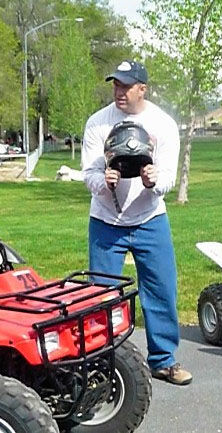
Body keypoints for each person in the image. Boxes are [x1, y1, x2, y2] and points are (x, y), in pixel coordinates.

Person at [81, 60, 191, 386]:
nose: (119, 92)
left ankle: (164, 360)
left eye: (126, 86)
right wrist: (104, 182)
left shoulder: (163, 124)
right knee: (101, 293)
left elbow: (169, 176)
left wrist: (154, 181)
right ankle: (100, 364)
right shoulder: (97, 123)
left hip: (149, 219)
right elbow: (88, 173)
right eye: (115, 85)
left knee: (160, 289)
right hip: (106, 220)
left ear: (142, 88)